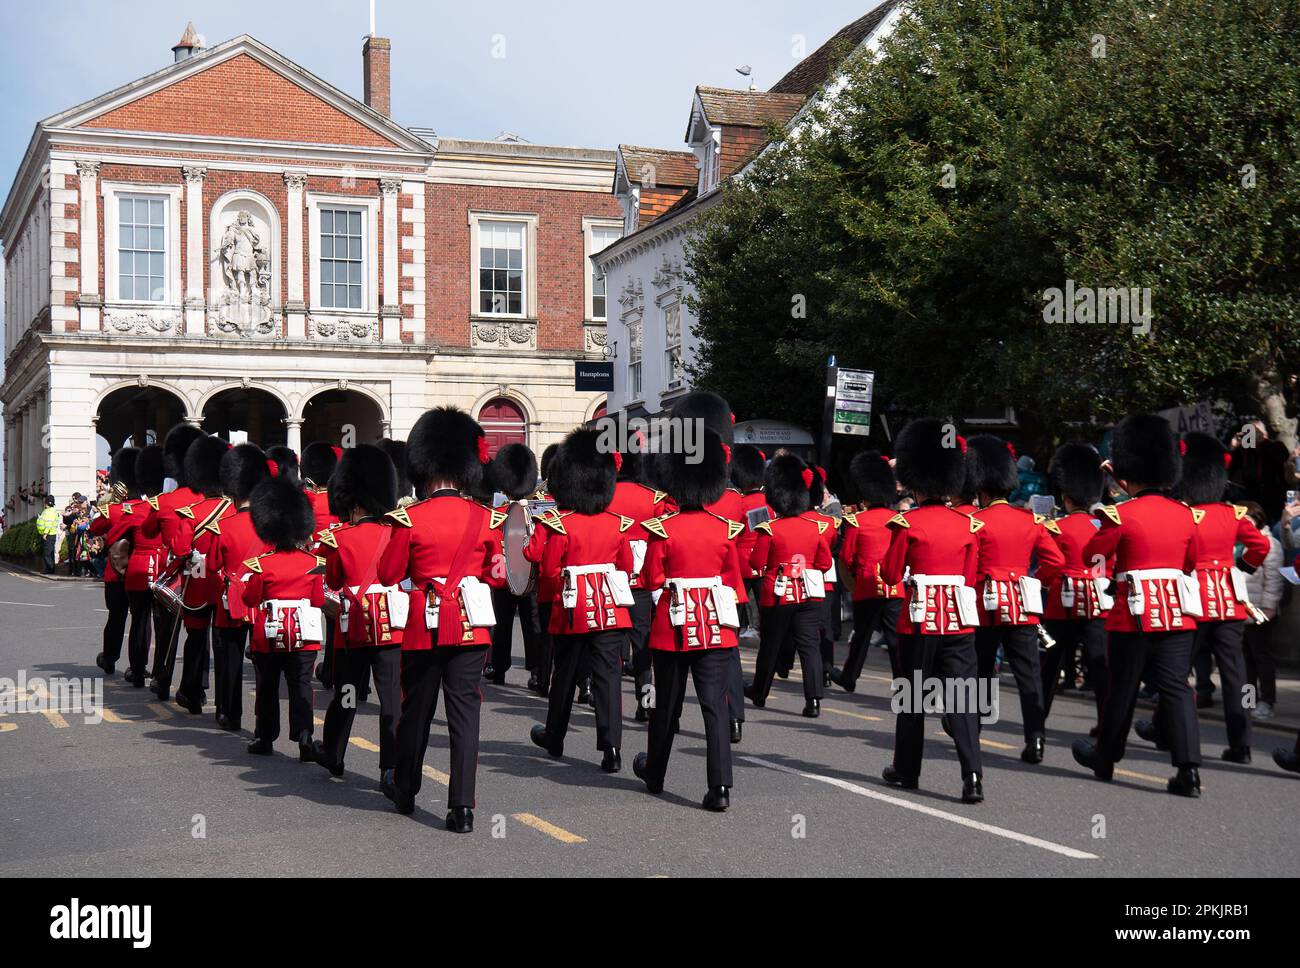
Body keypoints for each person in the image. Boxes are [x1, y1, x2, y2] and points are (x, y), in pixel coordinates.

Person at [378, 407, 502, 832]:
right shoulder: (487, 519)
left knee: (417, 712)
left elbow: (388, 574)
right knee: (465, 715)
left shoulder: (408, 519)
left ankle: (407, 789)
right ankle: (462, 807)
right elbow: (495, 575)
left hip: (422, 626)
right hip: (471, 624)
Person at [1071, 414, 1204, 797]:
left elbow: (1092, 555)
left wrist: (1112, 496)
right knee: (1177, 689)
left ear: (1126, 470)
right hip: (1177, 614)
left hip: (1133, 617)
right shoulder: (1187, 515)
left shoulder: (1119, 515)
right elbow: (1190, 563)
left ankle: (1106, 757)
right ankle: (1188, 770)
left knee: (1122, 689)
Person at [1134, 432, 1269, 764]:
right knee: (1236, 676)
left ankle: (1165, 730)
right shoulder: (1233, 514)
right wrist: (1240, 567)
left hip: (1192, 601)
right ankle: (1242, 745)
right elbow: (1261, 546)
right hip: (1229, 602)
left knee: (1175, 672)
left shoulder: (1184, 514)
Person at [632, 429, 747, 810]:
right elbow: (733, 581)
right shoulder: (724, 529)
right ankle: (720, 788)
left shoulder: (662, 529)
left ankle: (656, 773)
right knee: (715, 705)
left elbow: (651, 579)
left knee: (666, 704)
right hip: (714, 625)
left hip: (672, 627)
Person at [879, 419, 984, 804]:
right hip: (958, 620)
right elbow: (969, 579)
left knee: (912, 699)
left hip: (918, 621)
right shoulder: (968, 525)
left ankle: (907, 770)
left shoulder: (907, 523)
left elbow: (890, 574)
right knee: (961, 697)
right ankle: (972, 775)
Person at [528, 427, 634, 772]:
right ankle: (612, 747)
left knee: (565, 675)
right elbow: (627, 567)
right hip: (610, 610)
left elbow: (545, 571)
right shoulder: (618, 523)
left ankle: (555, 736)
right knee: (607, 677)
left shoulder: (558, 523)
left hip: (572, 610)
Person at [967, 435, 1065, 764]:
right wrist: (1032, 584)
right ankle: (1035, 739)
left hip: (984, 606)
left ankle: (973, 731)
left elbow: (968, 568)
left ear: (981, 489)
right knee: (1028, 676)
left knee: (981, 672)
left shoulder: (975, 522)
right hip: (1022, 607)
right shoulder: (1031, 522)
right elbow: (1055, 564)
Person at [311, 445, 404, 784]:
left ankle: (334, 753)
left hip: (355, 631)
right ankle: (390, 767)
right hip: (391, 626)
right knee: (391, 697)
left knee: (347, 692)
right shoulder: (395, 531)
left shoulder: (341, 538)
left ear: (352, 501)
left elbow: (334, 581)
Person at [243, 476, 325, 761]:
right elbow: (317, 600)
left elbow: (250, 599)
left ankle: (265, 736)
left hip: (269, 634)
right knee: (300, 685)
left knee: (268, 686)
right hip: (303, 633)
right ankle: (304, 736)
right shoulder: (313, 564)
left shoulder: (262, 565)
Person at [744, 454, 833, 717]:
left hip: (778, 594)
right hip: (809, 594)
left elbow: (757, 561)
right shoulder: (815, 528)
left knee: (770, 645)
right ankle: (814, 699)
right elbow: (826, 563)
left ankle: (760, 693)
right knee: (809, 646)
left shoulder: (770, 529)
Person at [1036, 444, 1110, 727]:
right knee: (1101, 667)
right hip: (1099, 602)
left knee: (1051, 667)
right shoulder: (1105, 526)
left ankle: (1037, 723)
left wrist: (1039, 583)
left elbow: (1050, 565)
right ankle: (1106, 724)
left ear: (1065, 497)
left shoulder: (1057, 527)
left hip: (1061, 602)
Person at [205, 444, 272, 731]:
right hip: (260, 600)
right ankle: (264, 722)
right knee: (263, 665)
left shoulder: (223, 526)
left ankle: (230, 712)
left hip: (230, 599)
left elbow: (211, 565)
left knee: (229, 658)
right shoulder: (268, 524)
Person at [168, 435, 232, 715]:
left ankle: (193, 692)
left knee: (195, 640)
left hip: (197, 579)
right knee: (223, 643)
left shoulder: (191, 513)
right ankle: (225, 705)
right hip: (224, 583)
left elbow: (179, 548)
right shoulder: (235, 511)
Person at [142, 423, 206, 701]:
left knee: (166, 632)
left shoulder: (164, 501)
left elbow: (148, 532)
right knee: (198, 633)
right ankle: (196, 687)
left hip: (173, 571)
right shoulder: (209, 500)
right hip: (201, 572)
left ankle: (162, 677)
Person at [832, 450, 902, 689]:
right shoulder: (898, 519)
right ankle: (903, 683)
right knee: (895, 639)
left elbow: (847, 556)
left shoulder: (856, 521)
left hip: (867, 584)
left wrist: (853, 574)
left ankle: (850, 677)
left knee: (861, 636)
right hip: (894, 587)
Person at [606, 442, 661, 723]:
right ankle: (646, 702)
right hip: (641, 581)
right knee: (643, 648)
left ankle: (610, 705)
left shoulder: (605, 497)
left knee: (611, 649)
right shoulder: (653, 498)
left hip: (610, 580)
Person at [484, 442, 544, 686]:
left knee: (511, 621)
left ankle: (504, 668)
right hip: (516, 569)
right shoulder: (529, 508)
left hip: (516, 570)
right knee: (524, 621)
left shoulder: (504, 509)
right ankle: (530, 669)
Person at [91, 448, 139, 675]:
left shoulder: (113, 510)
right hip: (141, 572)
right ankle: (139, 666)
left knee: (116, 617)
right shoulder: (147, 509)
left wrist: (110, 503)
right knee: (142, 621)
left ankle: (110, 657)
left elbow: (94, 528)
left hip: (116, 573)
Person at [1238, 502, 1282, 720]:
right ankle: (1249, 701)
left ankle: (1267, 701)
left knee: (1261, 658)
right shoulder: (1238, 544)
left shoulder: (1269, 544)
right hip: (1242, 610)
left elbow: (1273, 580)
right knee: (1245, 659)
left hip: (1260, 611)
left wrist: (1268, 608)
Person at [37, 496, 60, 573]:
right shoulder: (50, 511)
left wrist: (45, 533)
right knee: (50, 552)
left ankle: (49, 568)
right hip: (50, 534)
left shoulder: (49, 512)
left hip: (49, 534)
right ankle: (51, 569)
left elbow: (48, 524)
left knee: (47, 553)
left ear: (46, 503)